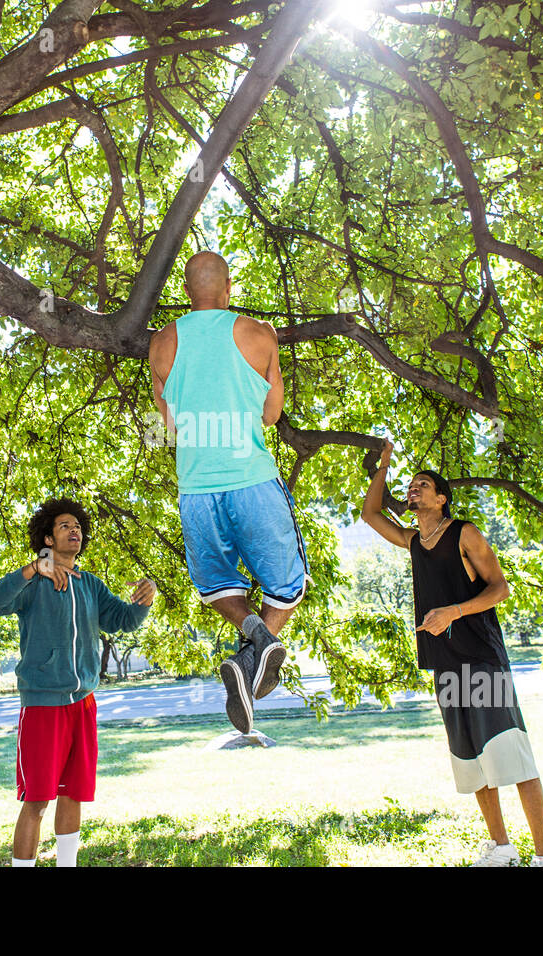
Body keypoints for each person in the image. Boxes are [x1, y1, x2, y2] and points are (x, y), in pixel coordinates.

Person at [360, 441, 543, 866]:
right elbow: (370, 514)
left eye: (423, 485)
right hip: (445, 665)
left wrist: (454, 610)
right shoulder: (415, 541)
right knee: (471, 760)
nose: (413, 489)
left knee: (511, 756)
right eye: (411, 485)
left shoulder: (464, 533)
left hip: (482, 661)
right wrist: (383, 467)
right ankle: (502, 848)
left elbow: (500, 588)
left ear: (442, 498)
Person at [148, 251, 309, 735]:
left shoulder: (162, 342)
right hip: (252, 479)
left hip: (197, 486)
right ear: (229, 287)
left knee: (214, 583)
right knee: (287, 585)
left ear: (185, 289)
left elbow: (169, 423)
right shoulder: (258, 334)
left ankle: (250, 643)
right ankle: (254, 654)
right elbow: (271, 415)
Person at [0, 497, 156, 867]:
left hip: (84, 703)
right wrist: (33, 570)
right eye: (64, 526)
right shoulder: (32, 582)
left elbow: (122, 620)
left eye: (77, 526)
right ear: (47, 539)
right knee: (36, 801)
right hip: (43, 705)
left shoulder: (90, 585)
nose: (74, 530)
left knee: (73, 794)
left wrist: (143, 601)